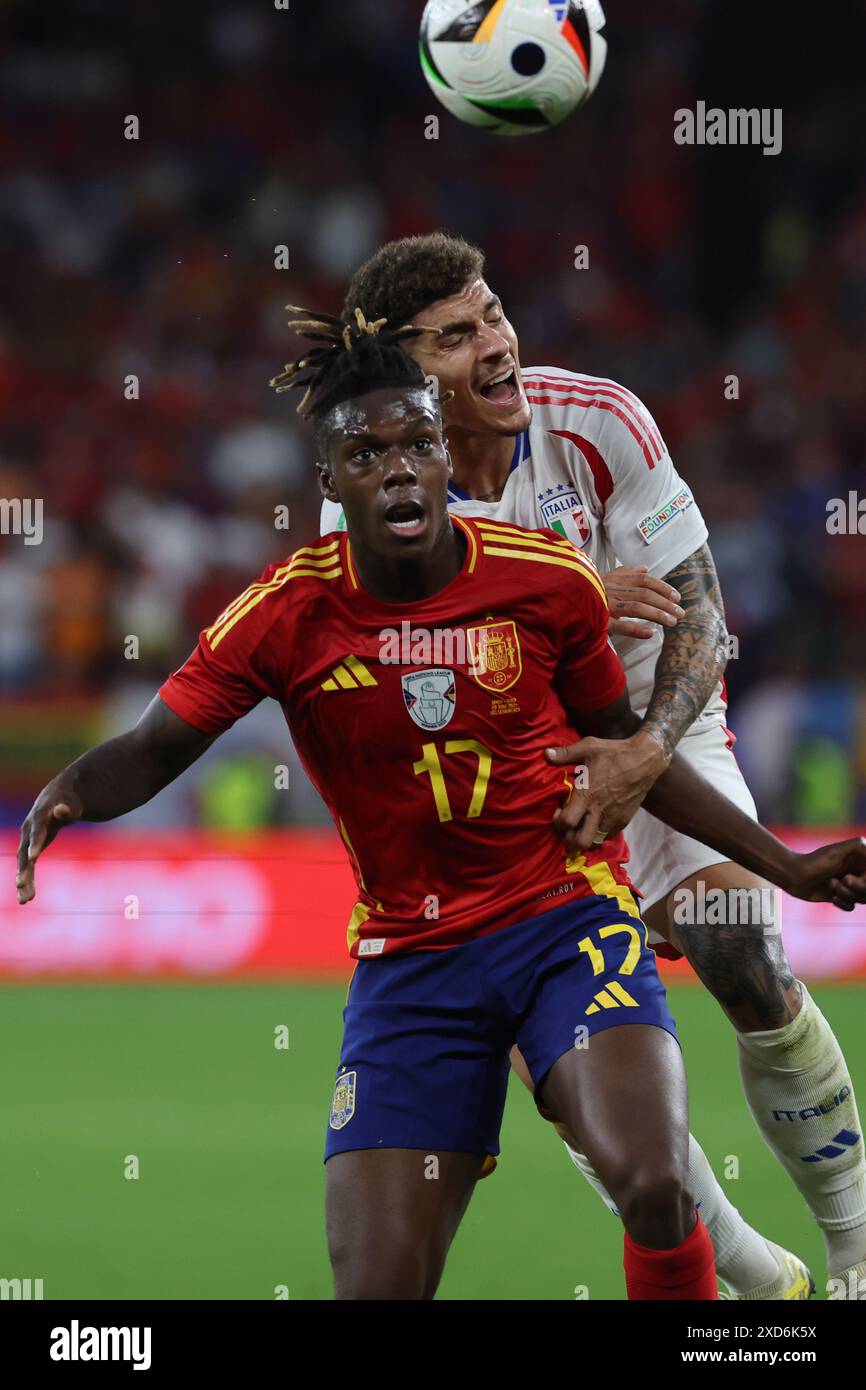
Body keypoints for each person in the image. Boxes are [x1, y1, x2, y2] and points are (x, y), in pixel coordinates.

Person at [17, 318, 866, 1301]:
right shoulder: (285, 613)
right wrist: (67, 794)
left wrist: (785, 866)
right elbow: (155, 747)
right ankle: (765, 1281)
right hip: (411, 963)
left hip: (563, 924)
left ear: (442, 458)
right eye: (365, 455)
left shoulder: (544, 580)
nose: (398, 471)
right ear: (329, 483)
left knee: (652, 1180)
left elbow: (631, 755)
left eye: (417, 444)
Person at [318, 234, 866, 1299]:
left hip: (656, 717)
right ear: (401, 372)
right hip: (514, 768)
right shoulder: (377, 498)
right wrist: (560, 600)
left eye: (493, 315)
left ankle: (853, 1251)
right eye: (455, 336)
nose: (495, 344)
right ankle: (765, 1285)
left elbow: (701, 615)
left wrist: (643, 752)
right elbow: (401, 689)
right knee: (569, 1074)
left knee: (737, 944)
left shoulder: (594, 418)